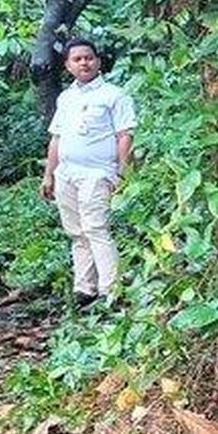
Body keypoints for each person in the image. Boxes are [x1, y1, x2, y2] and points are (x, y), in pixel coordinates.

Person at [41, 39, 136, 307]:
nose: (84, 62)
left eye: (89, 58)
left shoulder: (114, 95)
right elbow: (56, 139)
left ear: (98, 61)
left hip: (97, 172)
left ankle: (111, 291)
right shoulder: (66, 97)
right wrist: (49, 174)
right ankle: (85, 289)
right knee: (76, 232)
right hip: (67, 174)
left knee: (96, 228)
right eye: (77, 59)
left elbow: (124, 136)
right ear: (68, 66)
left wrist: (122, 171)